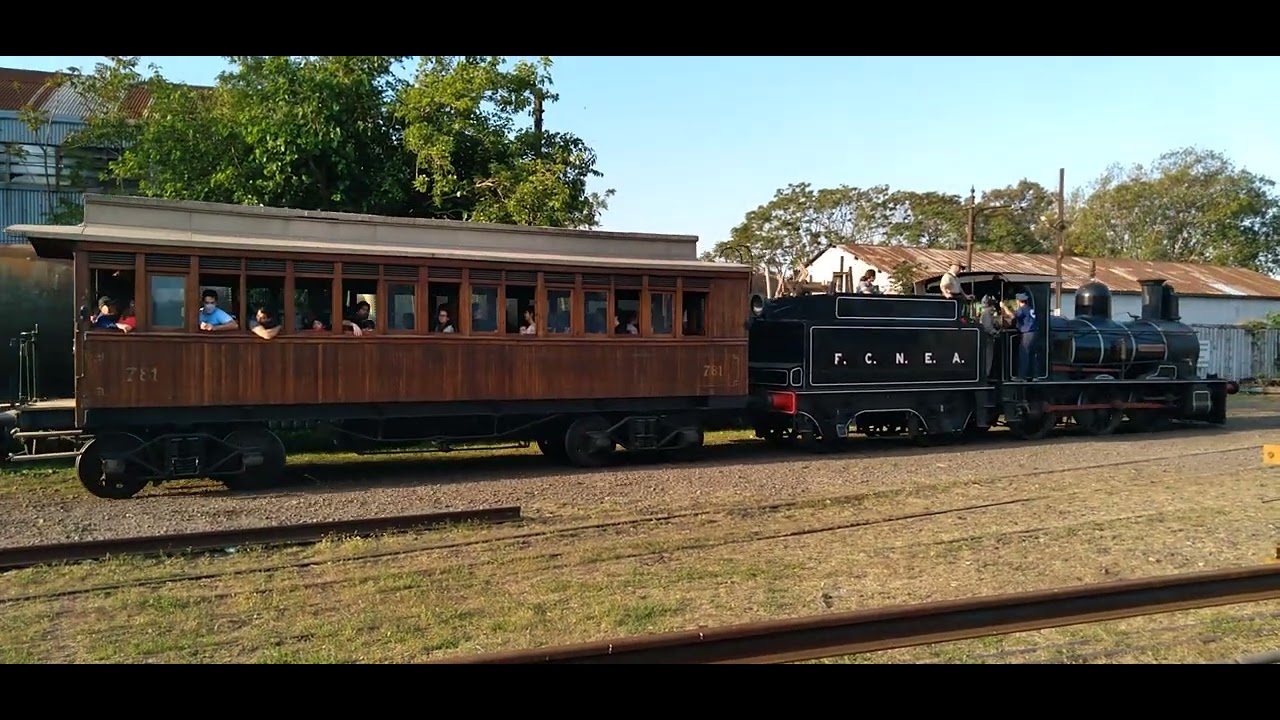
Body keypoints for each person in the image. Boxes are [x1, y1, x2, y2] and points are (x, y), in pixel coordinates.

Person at [1013, 292, 1039, 380]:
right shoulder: (1029, 308)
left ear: (1018, 301)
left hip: (1027, 333)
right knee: (1032, 355)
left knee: (1024, 354)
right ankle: (1035, 376)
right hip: (1034, 332)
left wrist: (1004, 307)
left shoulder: (1022, 309)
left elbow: (1013, 316)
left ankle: (1022, 377)